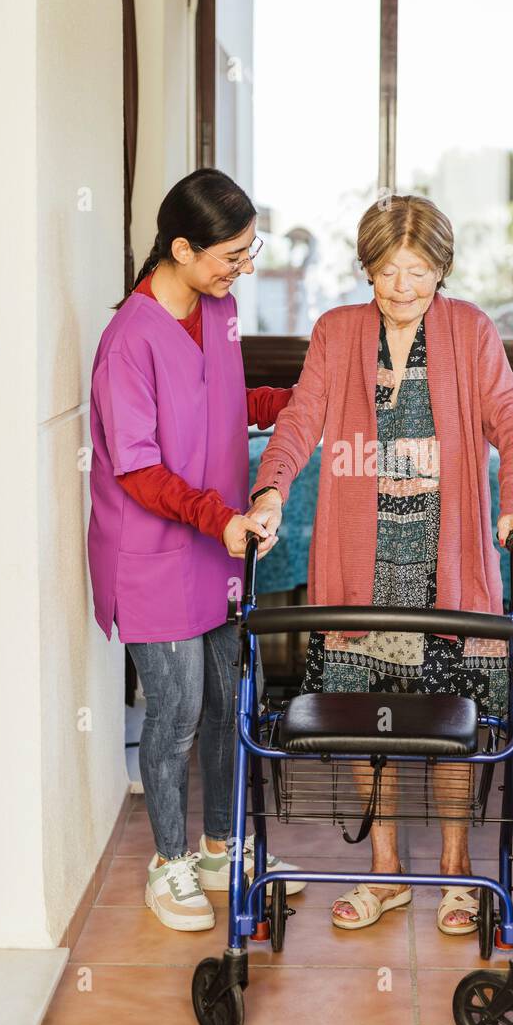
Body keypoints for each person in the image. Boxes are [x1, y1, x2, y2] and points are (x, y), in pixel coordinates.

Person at [248, 195, 513, 933]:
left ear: (442, 269)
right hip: (363, 564)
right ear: (366, 271)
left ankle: (450, 869)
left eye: (417, 271)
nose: (402, 286)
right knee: (366, 721)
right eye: (386, 272)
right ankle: (384, 872)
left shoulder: (469, 330)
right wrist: (270, 491)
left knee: (449, 720)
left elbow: (510, 420)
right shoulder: (339, 332)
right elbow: (301, 418)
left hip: (446, 563)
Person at [88, 168, 303, 932]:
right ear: (181, 248)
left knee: (225, 705)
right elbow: (138, 468)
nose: (241, 267)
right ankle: (169, 862)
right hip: (154, 551)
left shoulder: (220, 310)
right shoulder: (128, 339)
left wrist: (299, 401)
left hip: (220, 542)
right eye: (230, 254)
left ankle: (219, 847)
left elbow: (225, 400)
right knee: (175, 714)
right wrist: (219, 517)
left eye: (249, 251)